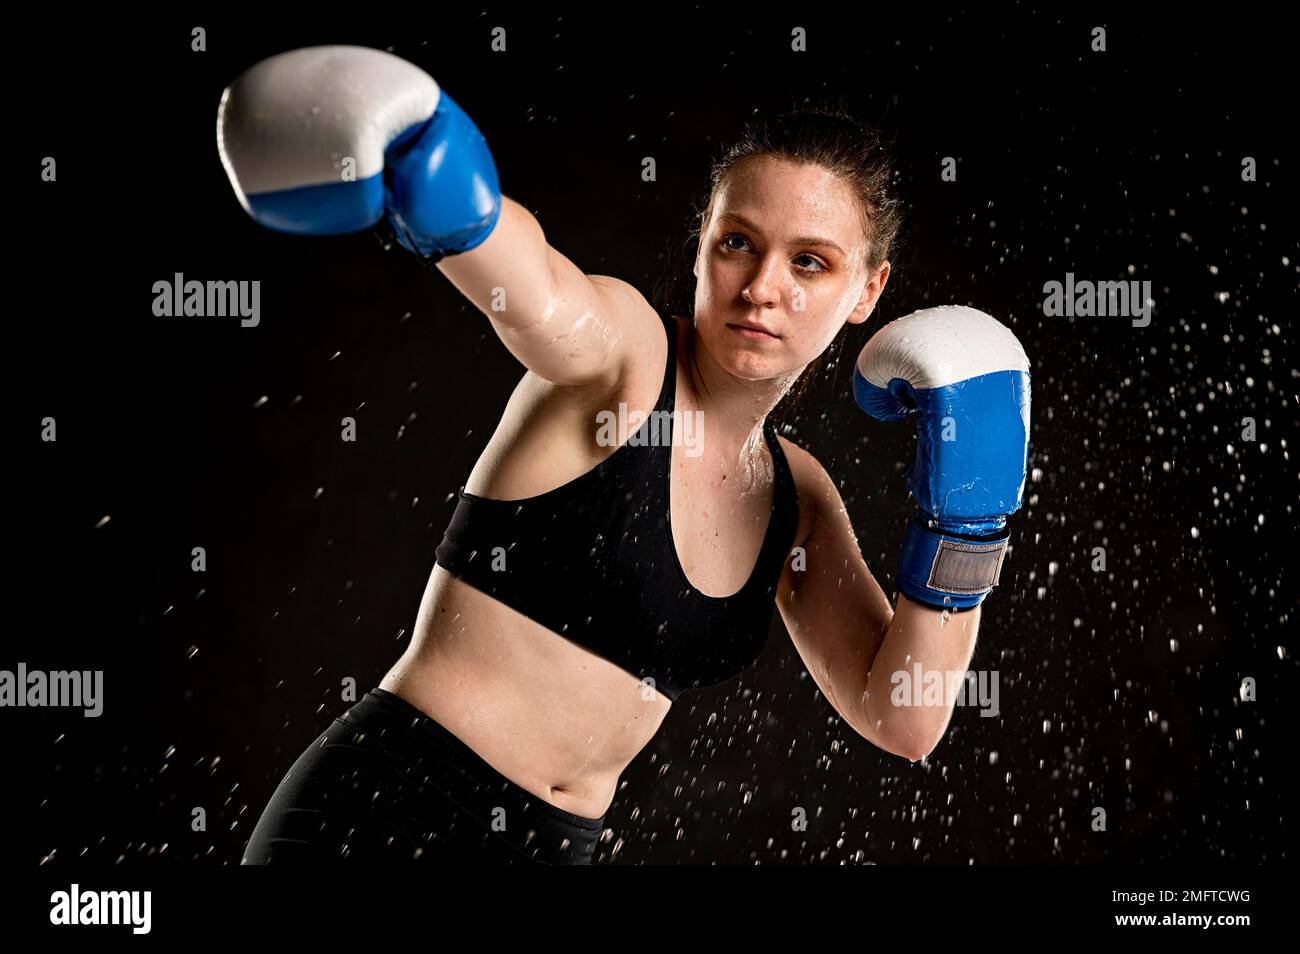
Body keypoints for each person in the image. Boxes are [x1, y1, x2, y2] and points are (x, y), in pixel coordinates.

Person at [221, 46, 1031, 864]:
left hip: (555, 847)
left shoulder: (800, 501)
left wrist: (966, 527)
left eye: (809, 262)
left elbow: (903, 717)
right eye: (737, 243)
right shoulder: (626, 358)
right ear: (701, 246)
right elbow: (536, 290)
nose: (761, 286)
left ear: (867, 291)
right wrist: (432, 181)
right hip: (392, 812)